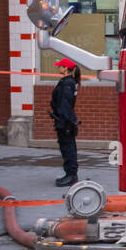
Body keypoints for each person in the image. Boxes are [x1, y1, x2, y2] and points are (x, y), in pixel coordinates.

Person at [50, 59, 81, 187]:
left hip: (65, 121)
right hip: (65, 120)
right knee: (67, 147)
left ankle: (71, 175)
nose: (58, 68)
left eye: (60, 66)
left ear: (66, 68)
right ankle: (70, 174)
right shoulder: (69, 82)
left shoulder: (67, 83)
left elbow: (65, 104)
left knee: (68, 148)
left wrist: (64, 121)